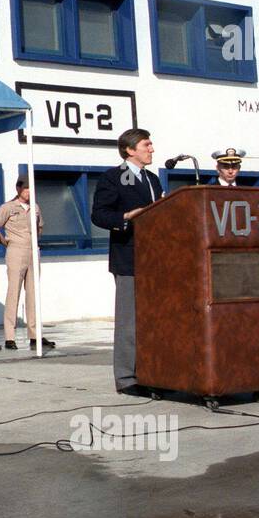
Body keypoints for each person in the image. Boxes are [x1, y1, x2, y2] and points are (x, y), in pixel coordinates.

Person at [90, 128, 163, 395]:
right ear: (130, 150)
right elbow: (99, 215)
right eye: (147, 144)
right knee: (129, 321)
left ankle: (152, 371)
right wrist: (127, 216)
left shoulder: (154, 180)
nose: (151, 149)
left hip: (155, 260)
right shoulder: (113, 177)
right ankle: (127, 378)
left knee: (152, 320)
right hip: (128, 257)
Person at [0, 178, 51, 350]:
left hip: (33, 250)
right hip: (16, 251)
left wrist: (34, 242)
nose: (28, 192)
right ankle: (10, 336)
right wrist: (6, 242)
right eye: (26, 189)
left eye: (31, 189)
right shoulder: (8, 207)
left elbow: (40, 227)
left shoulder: (36, 207)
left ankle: (34, 335)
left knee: (33, 294)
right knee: (13, 293)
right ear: (18, 189)